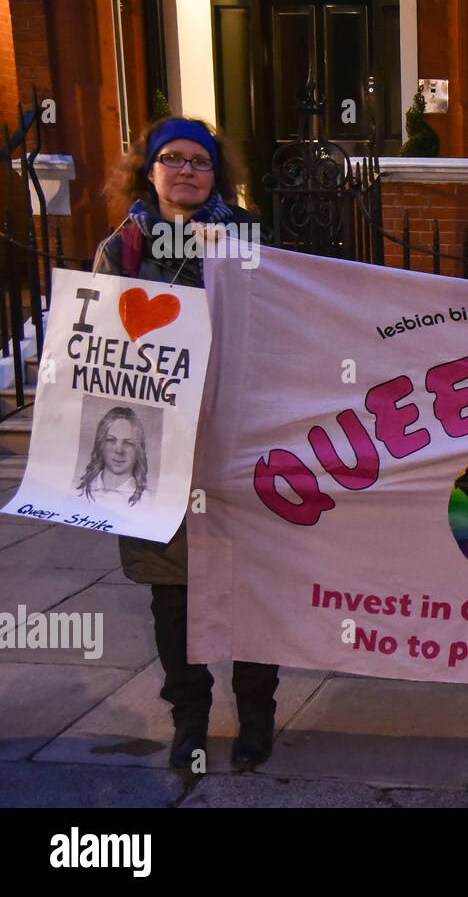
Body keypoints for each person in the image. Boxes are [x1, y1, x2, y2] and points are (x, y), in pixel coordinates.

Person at [94, 116, 279, 772]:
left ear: (215, 172)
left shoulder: (250, 242)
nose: (185, 170)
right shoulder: (121, 250)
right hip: (158, 451)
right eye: (171, 158)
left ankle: (257, 713)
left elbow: (280, 329)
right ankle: (190, 719)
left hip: (238, 439)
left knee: (251, 583)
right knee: (174, 595)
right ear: (149, 170)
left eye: (199, 160)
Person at [76, 406, 148, 508]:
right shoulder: (79, 490)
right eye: (111, 440)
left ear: (138, 450)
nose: (119, 450)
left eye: (128, 443)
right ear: (101, 444)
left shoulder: (146, 501)